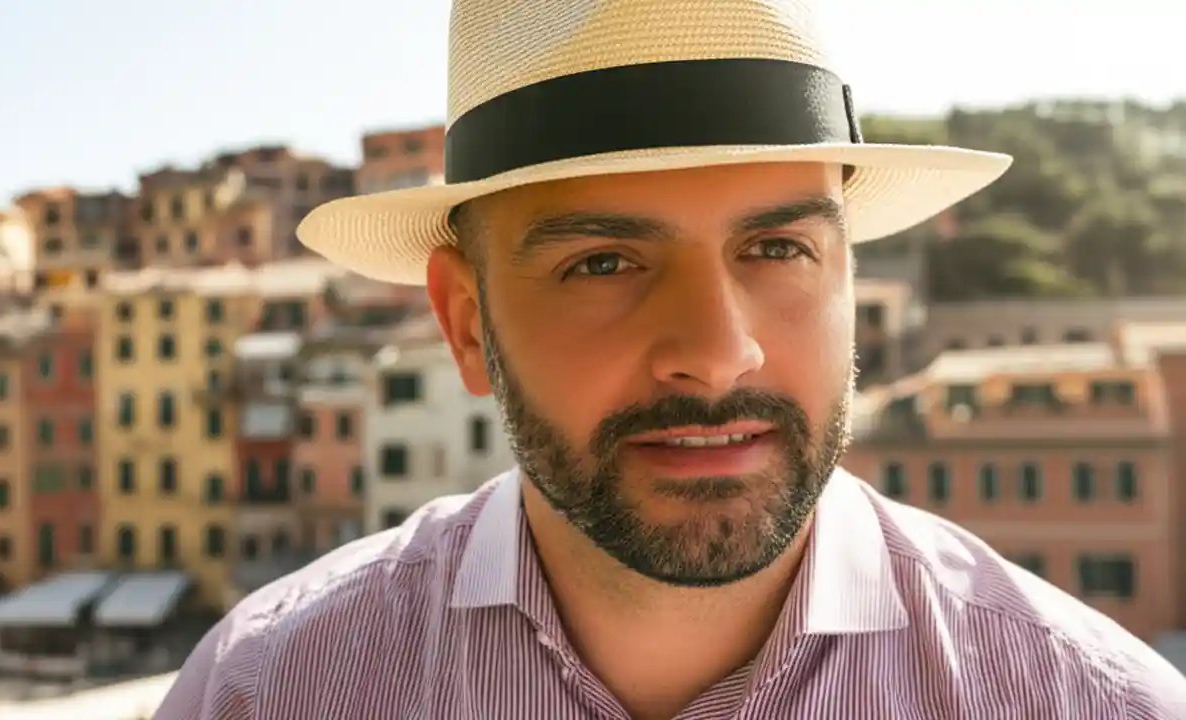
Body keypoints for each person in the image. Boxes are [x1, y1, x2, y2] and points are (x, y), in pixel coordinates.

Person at [155, 1, 1186, 718]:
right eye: (603, 262)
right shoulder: (263, 693)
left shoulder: (1089, 704)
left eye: (777, 249)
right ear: (467, 324)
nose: (717, 355)